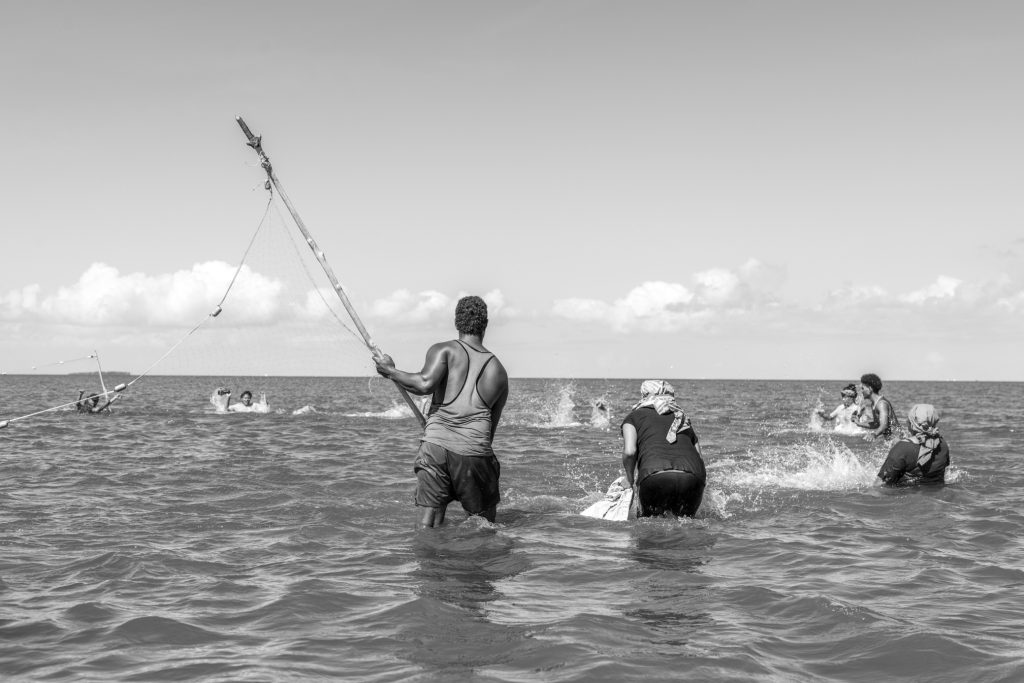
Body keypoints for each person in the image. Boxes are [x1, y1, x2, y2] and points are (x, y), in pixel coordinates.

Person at [375, 295, 509, 528]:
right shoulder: (499, 371)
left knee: (429, 526)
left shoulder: (444, 350)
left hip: (436, 448)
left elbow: (424, 384)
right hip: (474, 451)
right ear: (485, 324)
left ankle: (431, 564)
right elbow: (489, 434)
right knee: (483, 528)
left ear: (457, 322)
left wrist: (390, 371)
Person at [620, 380, 706, 518]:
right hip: (692, 478)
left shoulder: (632, 418)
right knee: (689, 530)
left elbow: (630, 452)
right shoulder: (682, 418)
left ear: (644, 396)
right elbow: (700, 458)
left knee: (649, 532)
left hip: (654, 478)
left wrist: (629, 480)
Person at [874, 404, 949, 486]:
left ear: (912, 424)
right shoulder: (942, 444)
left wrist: (897, 449)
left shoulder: (902, 448)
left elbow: (879, 485)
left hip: (907, 495)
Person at [855, 373, 899, 440]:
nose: (861, 391)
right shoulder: (874, 404)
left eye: (863, 388)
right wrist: (859, 423)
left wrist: (874, 434)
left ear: (870, 388)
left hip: (898, 440)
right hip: (891, 441)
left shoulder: (881, 404)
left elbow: (884, 425)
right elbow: (876, 424)